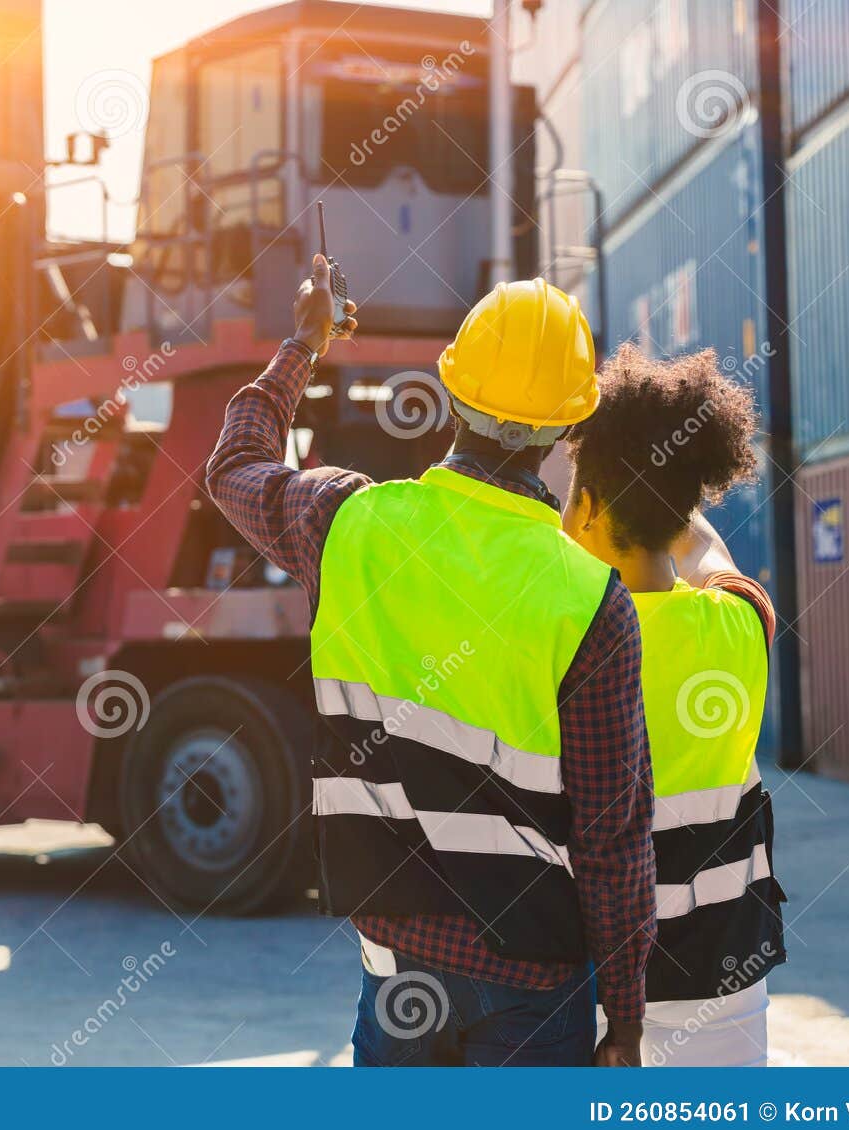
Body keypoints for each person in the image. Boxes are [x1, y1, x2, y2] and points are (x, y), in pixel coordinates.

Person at [206, 258, 656, 1067]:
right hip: (536, 984)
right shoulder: (592, 601)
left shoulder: (348, 522)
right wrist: (624, 1018)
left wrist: (302, 344)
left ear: (451, 394)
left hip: (398, 969)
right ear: (568, 430)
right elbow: (611, 838)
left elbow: (235, 466)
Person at [560, 344, 787, 1066]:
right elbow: (712, 554)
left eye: (571, 492)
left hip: (602, 984)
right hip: (727, 970)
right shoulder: (743, 624)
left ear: (589, 507)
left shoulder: (570, 642)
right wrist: (663, 496)